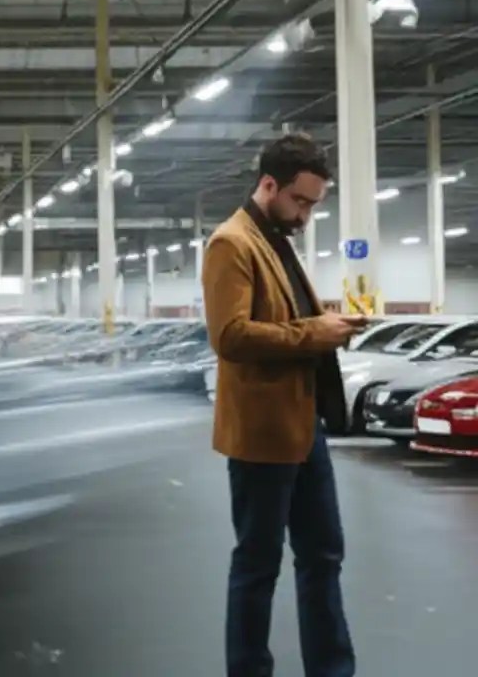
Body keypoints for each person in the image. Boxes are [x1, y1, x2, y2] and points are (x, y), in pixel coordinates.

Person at [202, 134, 366, 677]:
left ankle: (333, 669)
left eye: (314, 204)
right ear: (269, 185)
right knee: (257, 565)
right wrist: (314, 332)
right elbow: (230, 336)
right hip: (262, 434)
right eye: (301, 201)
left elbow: (286, 318)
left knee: (323, 557)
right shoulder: (233, 242)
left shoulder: (277, 239)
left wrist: (327, 326)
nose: (306, 214)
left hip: (304, 428)